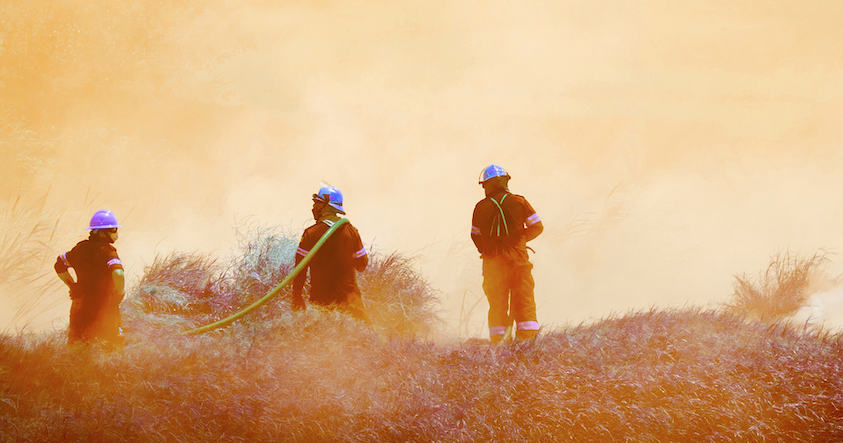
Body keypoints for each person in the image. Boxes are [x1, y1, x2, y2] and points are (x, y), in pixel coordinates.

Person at [471, 165, 544, 343]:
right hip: (518, 261)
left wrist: (488, 250)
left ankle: (499, 345)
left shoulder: (480, 207)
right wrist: (519, 242)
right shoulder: (519, 202)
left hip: (493, 263)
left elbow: (475, 236)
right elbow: (537, 227)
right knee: (524, 299)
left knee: (497, 303)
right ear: (505, 182)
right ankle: (527, 343)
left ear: (486, 185)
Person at [291, 186, 371, 324]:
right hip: (352, 305)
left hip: (322, 305)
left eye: (317, 203)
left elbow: (300, 270)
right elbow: (362, 265)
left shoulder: (310, 234)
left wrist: (297, 296)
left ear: (327, 206)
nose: (314, 207)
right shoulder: (352, 232)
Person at [55, 209, 125, 348]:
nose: (116, 233)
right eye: (113, 230)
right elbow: (118, 273)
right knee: (110, 348)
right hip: (105, 307)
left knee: (78, 348)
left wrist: (72, 286)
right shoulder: (108, 252)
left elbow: (59, 265)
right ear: (102, 232)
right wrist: (120, 293)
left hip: (80, 306)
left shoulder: (80, 248)